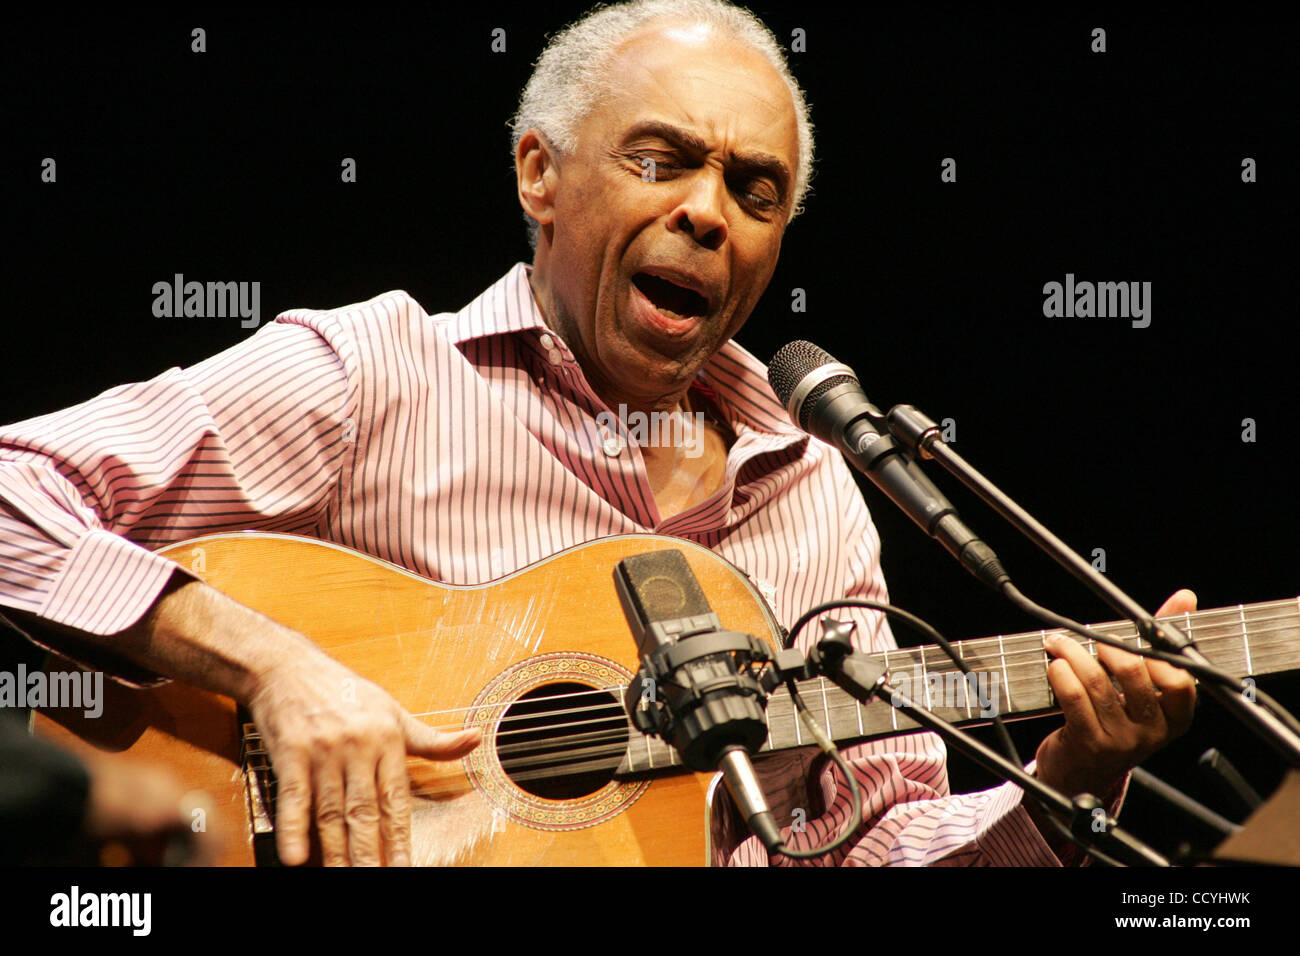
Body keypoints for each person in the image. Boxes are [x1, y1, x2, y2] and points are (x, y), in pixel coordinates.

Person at [0, 0, 1195, 866]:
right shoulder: (377, 373)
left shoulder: (814, 489)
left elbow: (868, 851)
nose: (707, 213)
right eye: (661, 159)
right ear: (539, 174)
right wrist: (272, 664)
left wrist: (1070, 780)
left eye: (754, 189)